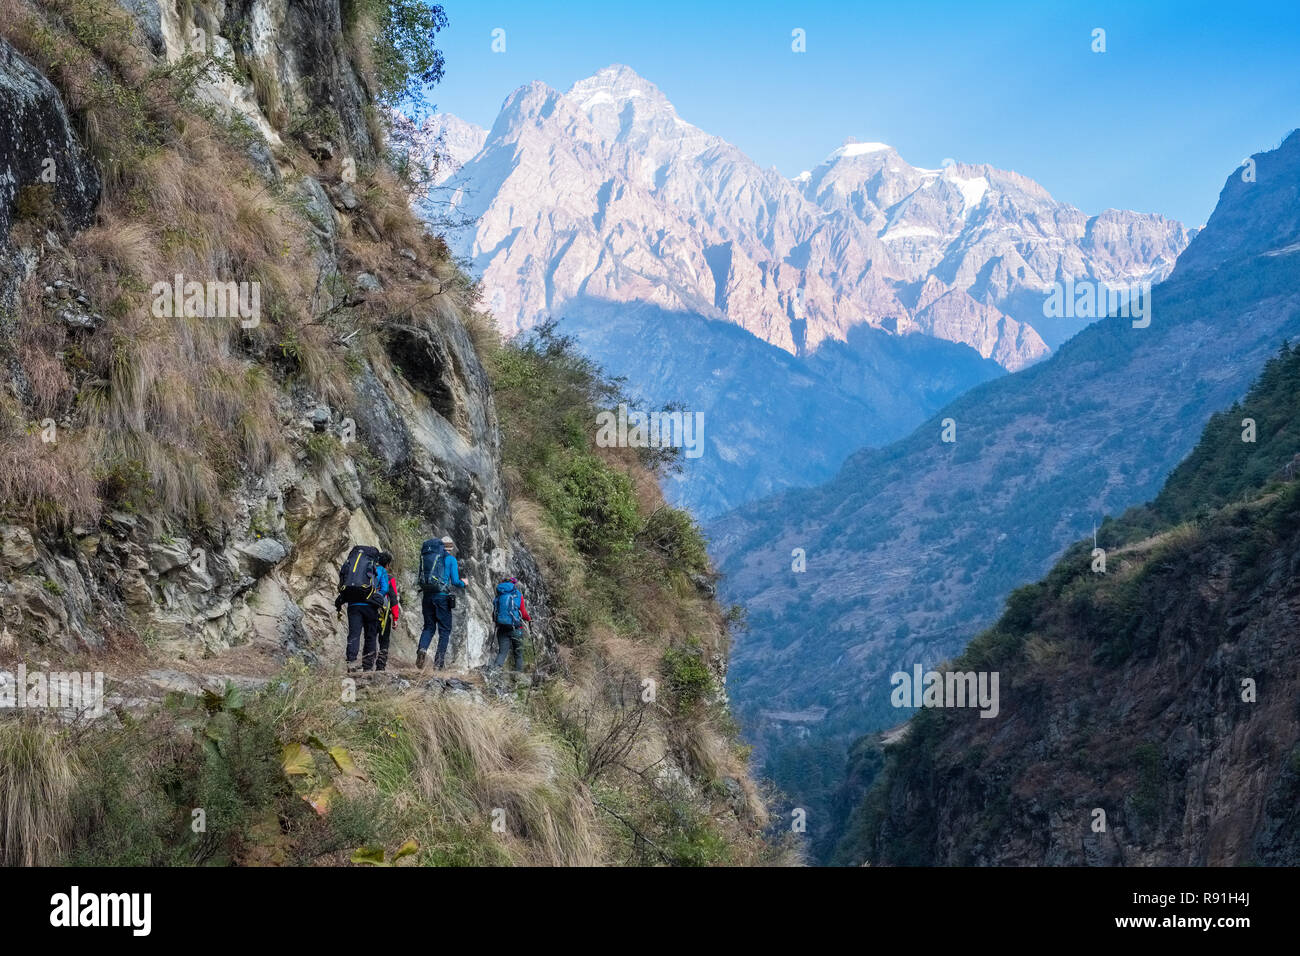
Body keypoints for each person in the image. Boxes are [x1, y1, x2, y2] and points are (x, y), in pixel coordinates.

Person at [335, 545, 394, 673]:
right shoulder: (380, 570)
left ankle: (351, 663)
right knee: (371, 636)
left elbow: (342, 583)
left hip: (353, 605)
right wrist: (376, 598)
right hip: (370, 607)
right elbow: (385, 588)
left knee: (354, 634)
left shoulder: (354, 567)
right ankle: (367, 667)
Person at [416, 535, 467, 670]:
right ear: (450, 547)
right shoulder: (450, 559)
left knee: (428, 627)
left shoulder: (427, 557)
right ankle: (438, 663)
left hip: (427, 596)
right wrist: (464, 583)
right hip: (442, 597)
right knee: (444, 630)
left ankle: (422, 649)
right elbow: (455, 581)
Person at [491, 577, 531, 672]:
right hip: (516, 628)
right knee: (518, 654)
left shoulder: (499, 596)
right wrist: (529, 619)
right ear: (513, 584)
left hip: (502, 628)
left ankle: (493, 675)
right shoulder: (517, 594)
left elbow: (494, 612)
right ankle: (518, 677)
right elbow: (523, 612)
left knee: (502, 653)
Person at [374, 552, 401, 672]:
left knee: (370, 638)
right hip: (384, 615)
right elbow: (393, 598)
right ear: (388, 565)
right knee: (384, 640)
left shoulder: (371, 574)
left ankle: (367, 664)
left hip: (371, 611)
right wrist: (395, 618)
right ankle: (380, 666)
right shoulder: (390, 579)